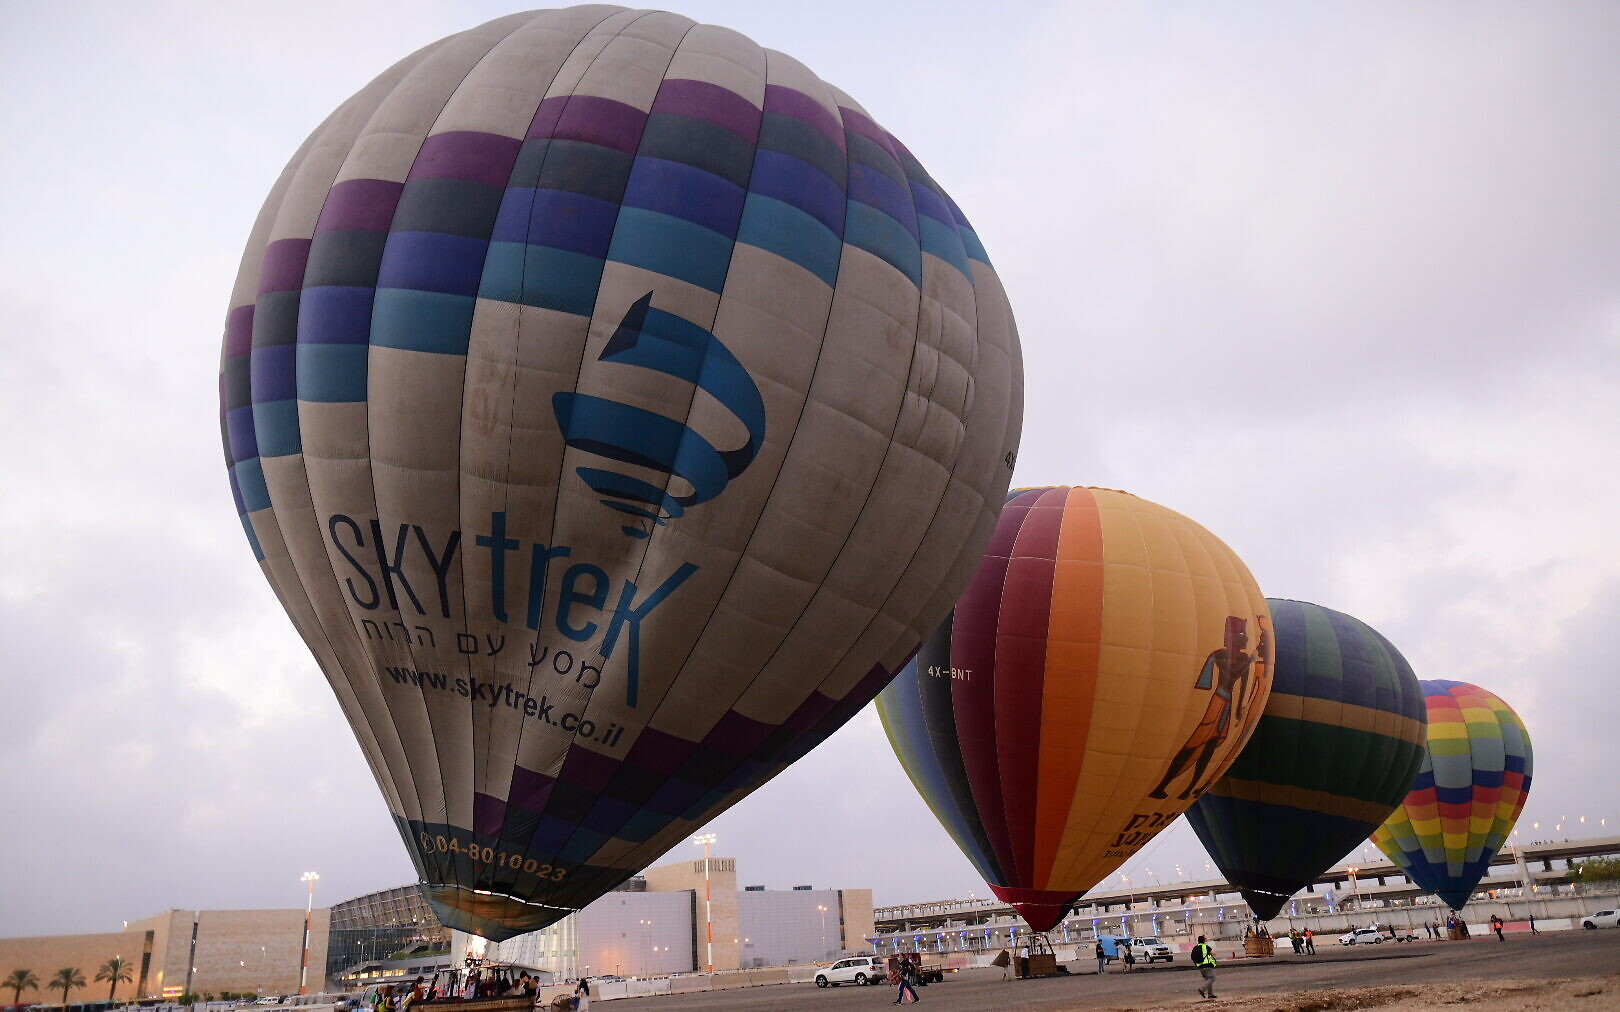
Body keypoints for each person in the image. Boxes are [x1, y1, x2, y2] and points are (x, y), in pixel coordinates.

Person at [1193, 935, 1218, 1000]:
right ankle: (1202, 989)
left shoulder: (1195, 947)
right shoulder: (1205, 946)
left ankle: (1210, 994)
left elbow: (1192, 957)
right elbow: (1214, 953)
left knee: (1208, 980)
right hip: (1207, 965)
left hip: (1200, 967)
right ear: (1204, 940)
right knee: (1212, 978)